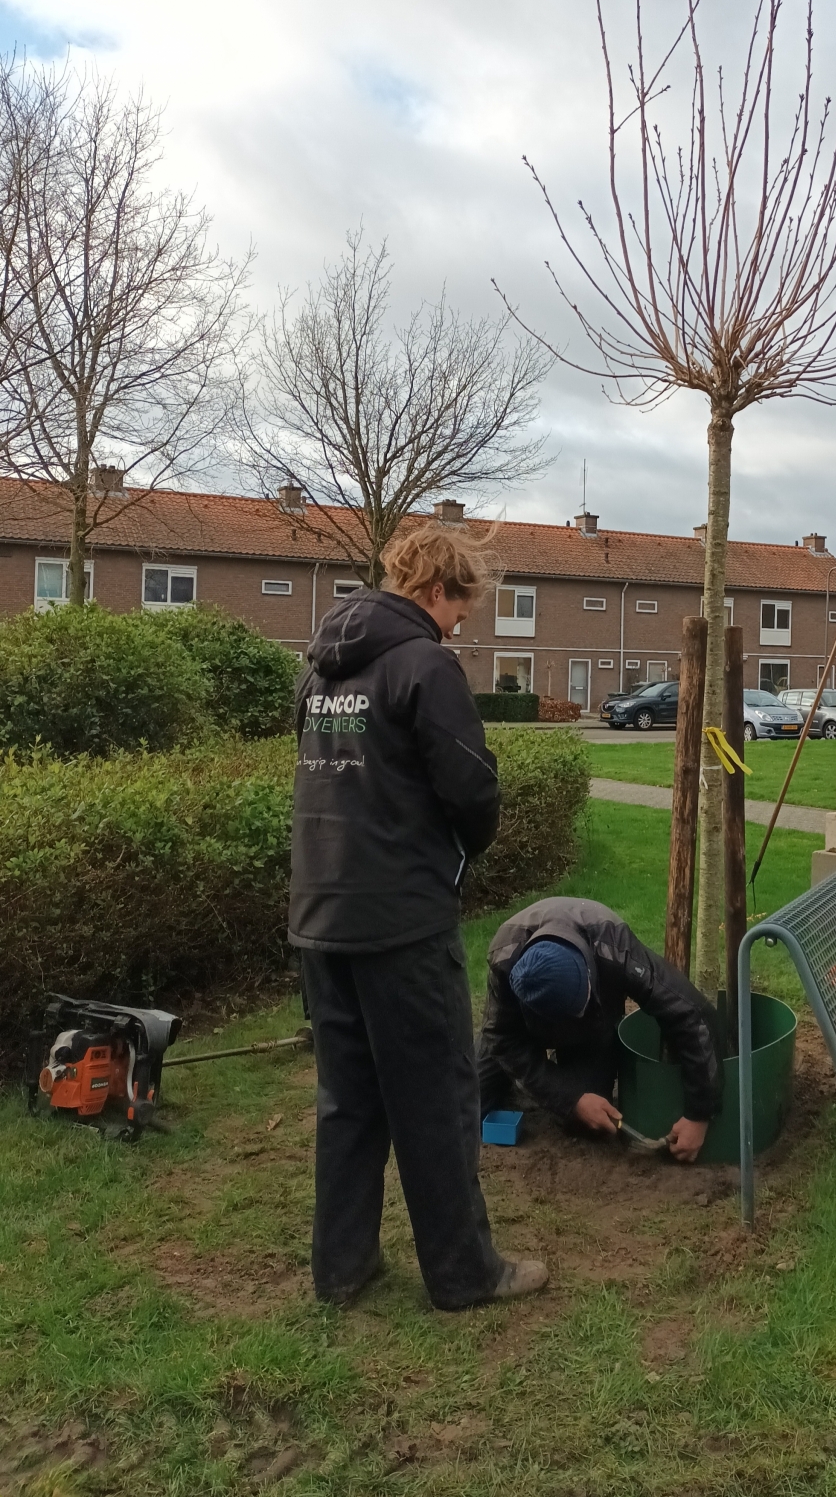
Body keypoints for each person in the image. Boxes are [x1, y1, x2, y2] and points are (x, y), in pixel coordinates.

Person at [289, 523, 547, 1310]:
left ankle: (342, 1268)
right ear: (437, 589)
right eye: (461, 607)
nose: (460, 624)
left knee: (348, 1098)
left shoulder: (318, 669)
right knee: (436, 1099)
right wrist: (465, 848)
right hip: (401, 918)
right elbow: (471, 787)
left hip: (320, 914)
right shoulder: (425, 665)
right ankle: (465, 1273)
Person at [476, 898, 722, 1162]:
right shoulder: (505, 957)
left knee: (588, 1124)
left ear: (588, 976)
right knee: (467, 1106)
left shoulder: (615, 951)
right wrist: (570, 1097)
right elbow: (501, 1037)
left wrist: (699, 1114)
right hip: (523, 1028)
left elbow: (691, 1013)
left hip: (591, 1028)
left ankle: (560, 1069)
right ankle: (519, 1079)